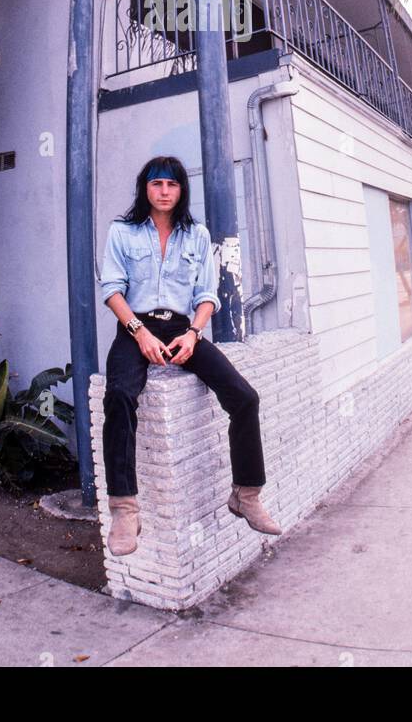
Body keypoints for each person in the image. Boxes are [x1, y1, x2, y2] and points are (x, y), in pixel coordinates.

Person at [99, 154, 281, 556]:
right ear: (144, 189)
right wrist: (139, 333)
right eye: (156, 184)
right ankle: (125, 509)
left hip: (184, 329)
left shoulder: (197, 235)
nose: (164, 192)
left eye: (172, 184)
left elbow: (206, 294)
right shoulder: (122, 232)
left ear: (182, 190)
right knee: (120, 396)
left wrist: (194, 335)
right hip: (135, 328)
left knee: (244, 397)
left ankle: (246, 494)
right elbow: (112, 288)